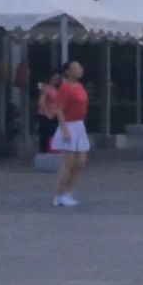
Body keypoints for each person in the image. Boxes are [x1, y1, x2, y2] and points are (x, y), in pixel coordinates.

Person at [51, 61, 91, 207]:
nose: (79, 70)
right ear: (68, 72)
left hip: (79, 125)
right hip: (69, 124)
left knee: (80, 162)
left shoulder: (80, 86)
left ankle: (68, 192)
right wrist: (65, 129)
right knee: (68, 163)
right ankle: (59, 194)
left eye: (80, 67)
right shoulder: (65, 88)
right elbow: (59, 109)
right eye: (76, 68)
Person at [36, 72, 61, 154]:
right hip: (45, 114)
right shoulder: (45, 88)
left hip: (54, 114)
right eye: (55, 77)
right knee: (45, 133)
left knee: (53, 132)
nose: (56, 80)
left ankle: (52, 149)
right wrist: (47, 112)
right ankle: (44, 150)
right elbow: (41, 102)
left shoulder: (56, 89)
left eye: (58, 78)